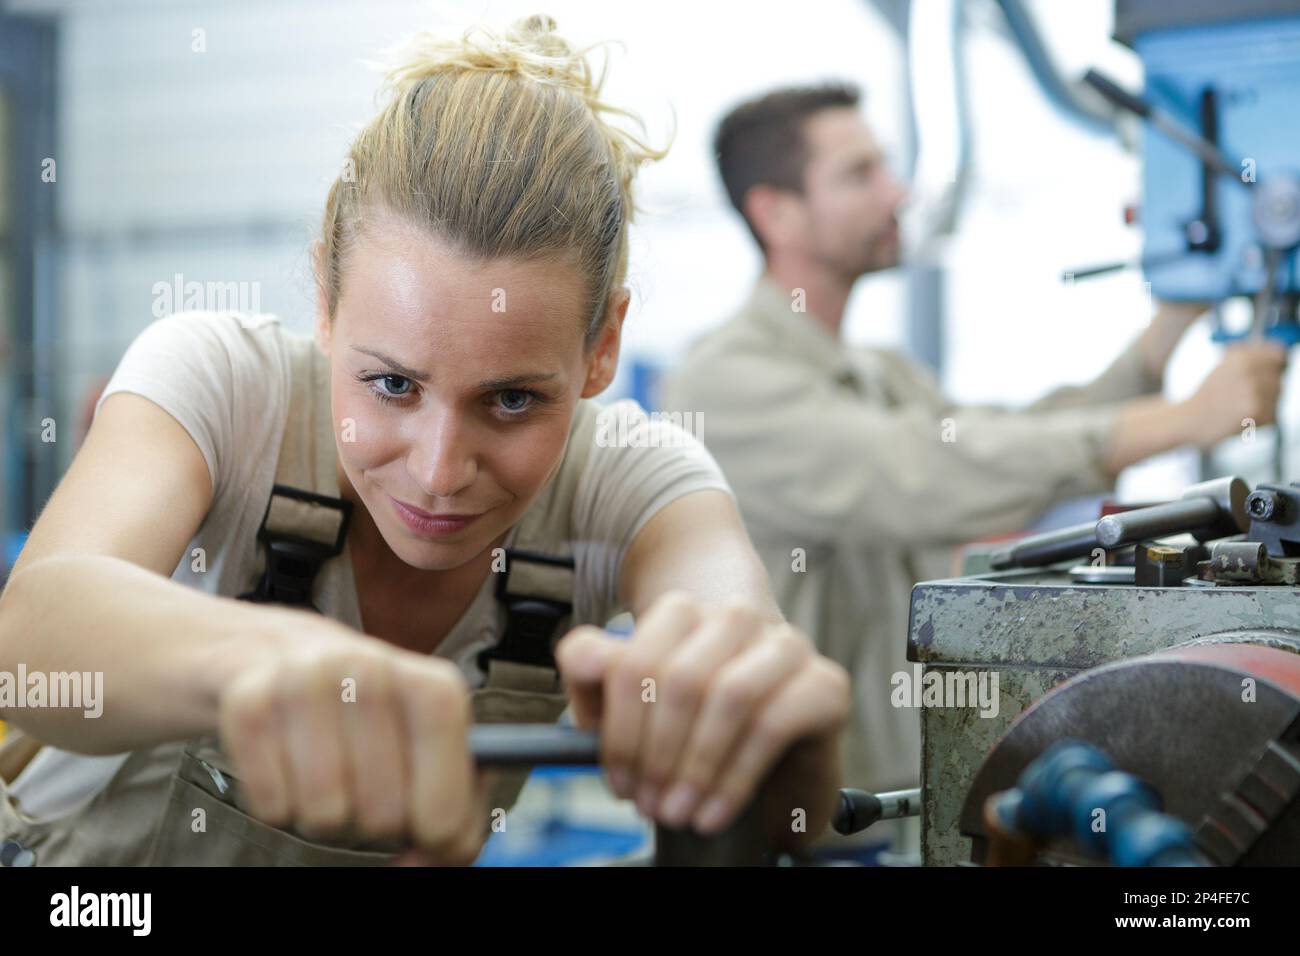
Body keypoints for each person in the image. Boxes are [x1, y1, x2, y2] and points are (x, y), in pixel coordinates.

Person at [0, 17, 849, 866]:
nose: (440, 472)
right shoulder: (225, 384)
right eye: (392, 385)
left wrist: (753, 713)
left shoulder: (631, 479)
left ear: (603, 346)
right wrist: (266, 661)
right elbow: (30, 642)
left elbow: (733, 634)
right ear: (326, 299)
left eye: (511, 399)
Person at [661, 83, 1287, 849]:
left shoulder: (880, 373)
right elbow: (928, 473)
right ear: (775, 212)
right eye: (860, 174)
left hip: (883, 816)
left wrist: (1171, 325)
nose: (896, 192)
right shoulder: (721, 385)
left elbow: (1006, 433)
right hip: (785, 838)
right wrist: (1184, 420)